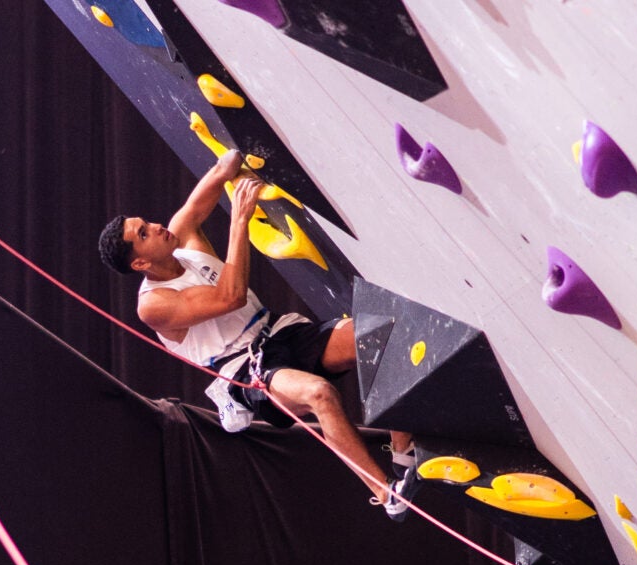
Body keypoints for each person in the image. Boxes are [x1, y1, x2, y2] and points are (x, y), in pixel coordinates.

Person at [98, 151, 418, 520]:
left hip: (278, 331)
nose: (155, 227)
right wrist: (240, 221)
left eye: (147, 223)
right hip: (245, 371)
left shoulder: (180, 231)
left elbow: (222, 170)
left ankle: (402, 448)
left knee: (383, 335)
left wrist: (242, 151)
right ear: (139, 262)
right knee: (319, 394)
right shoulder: (153, 305)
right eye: (143, 234)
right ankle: (386, 495)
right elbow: (230, 297)